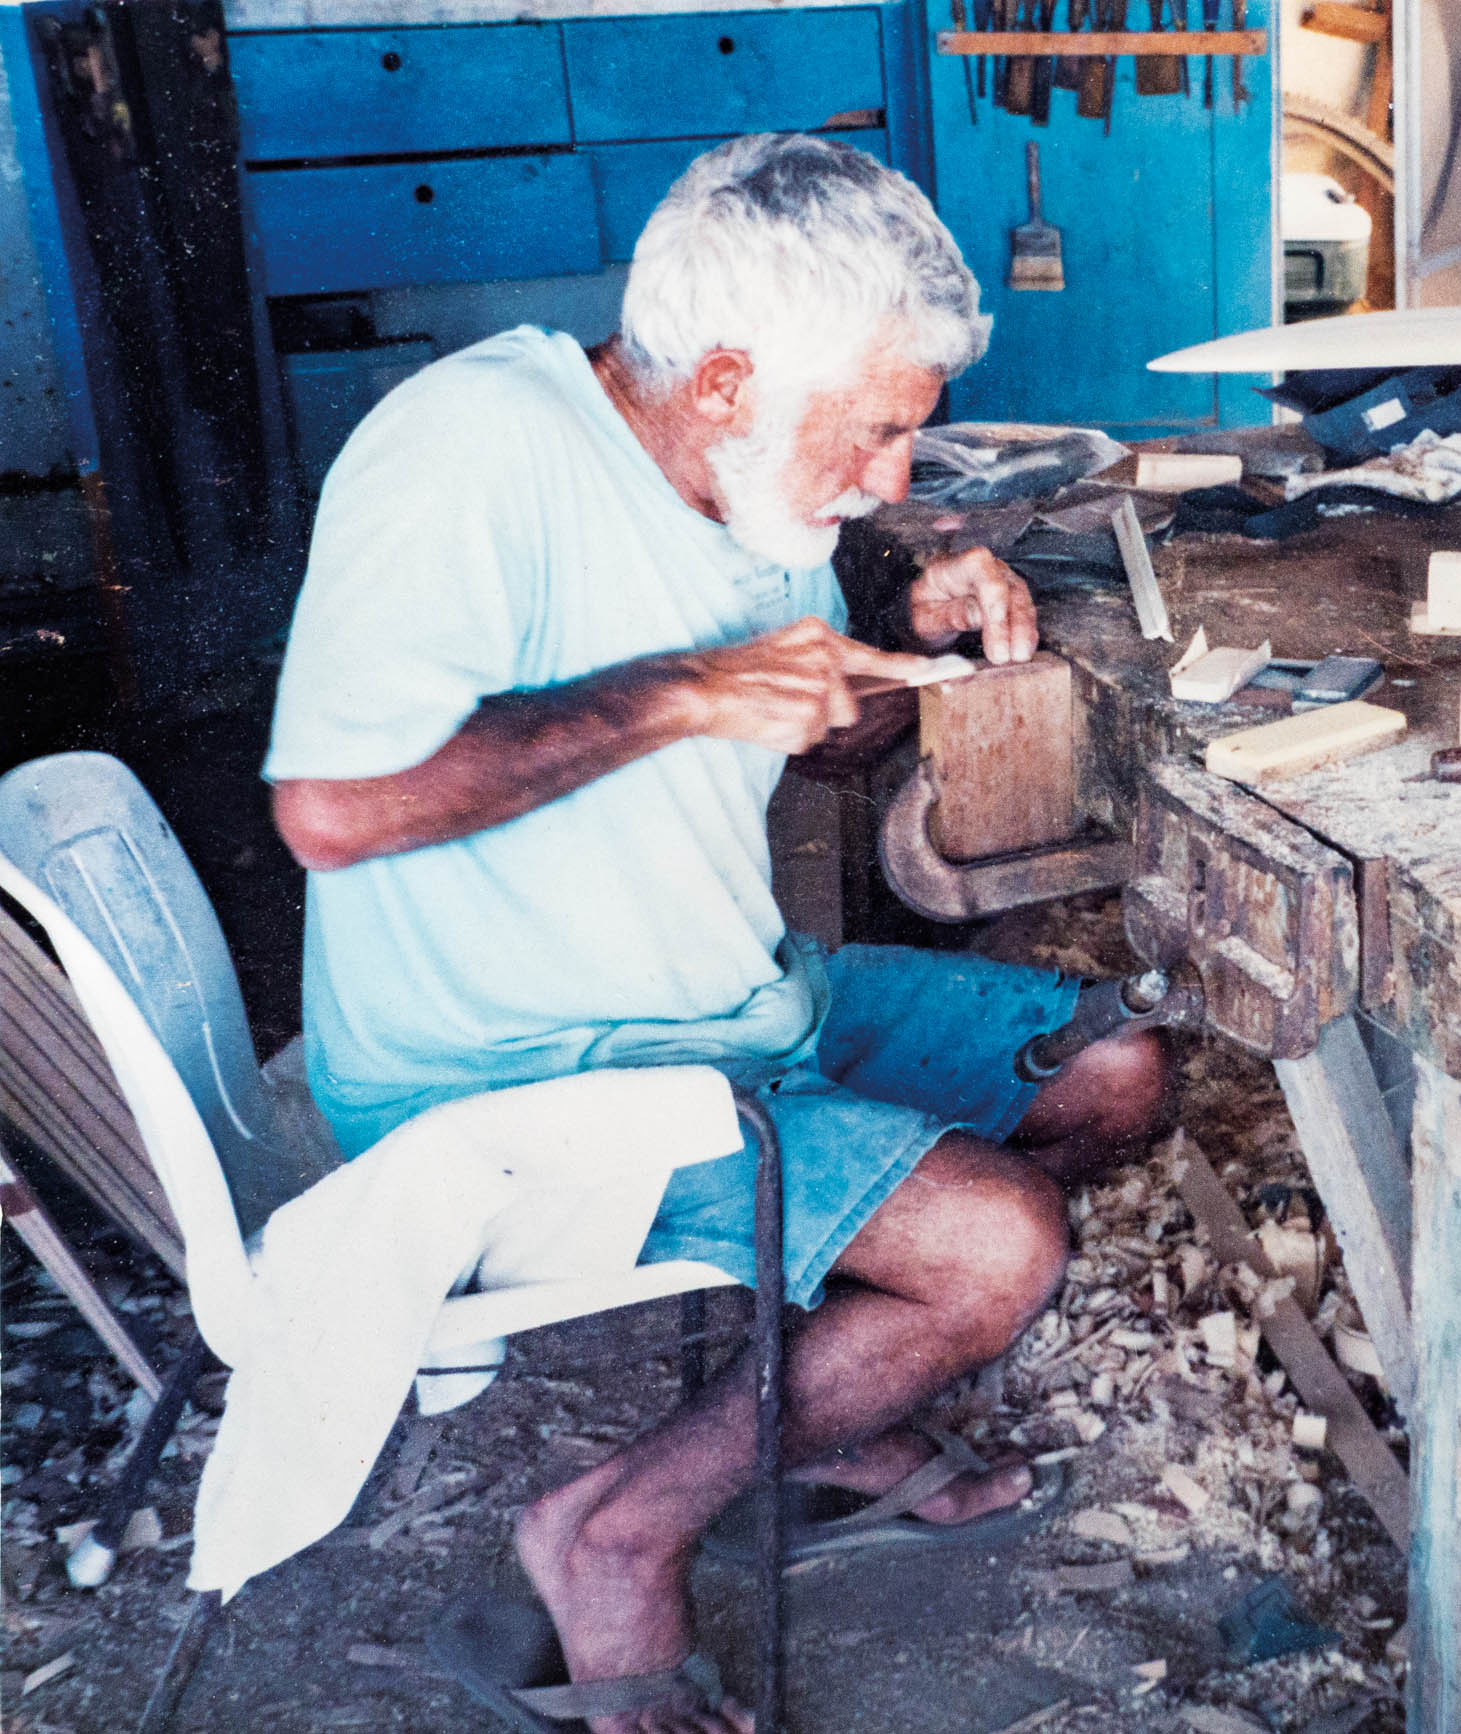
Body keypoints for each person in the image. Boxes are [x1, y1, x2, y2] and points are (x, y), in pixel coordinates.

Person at [264, 134, 1166, 1732]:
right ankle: (617, 1530)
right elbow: (332, 809)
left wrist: (896, 632)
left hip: (727, 1003)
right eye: (881, 429)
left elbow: (794, 728)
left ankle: (795, 1413)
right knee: (996, 1244)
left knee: (1113, 1070)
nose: (893, 473)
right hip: (508, 1078)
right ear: (730, 378)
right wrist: (686, 693)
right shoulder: (467, 452)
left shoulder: (756, 477)